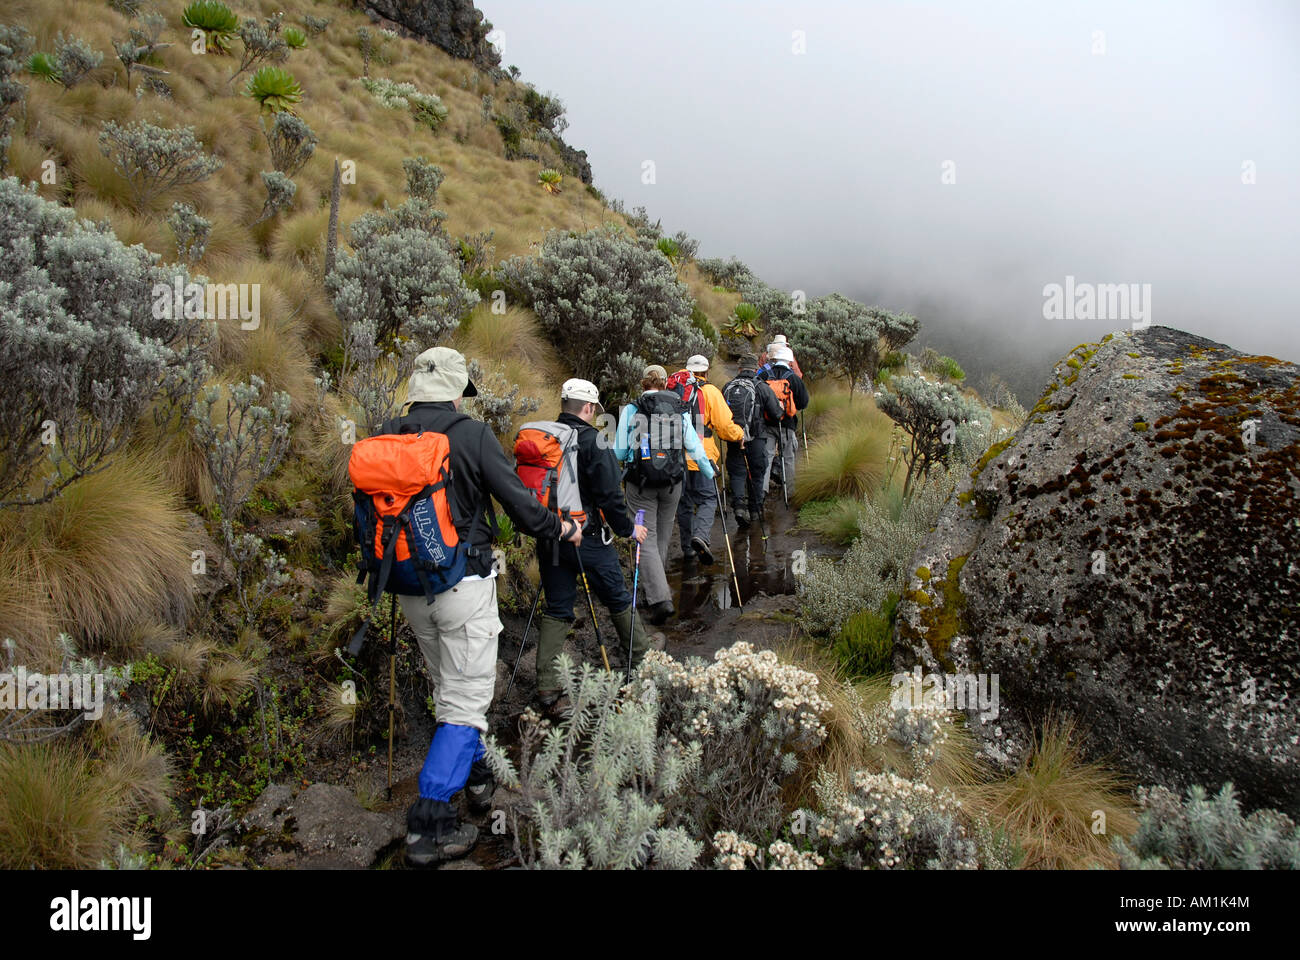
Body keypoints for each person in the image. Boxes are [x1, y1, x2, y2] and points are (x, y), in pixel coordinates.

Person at [376, 347, 583, 867]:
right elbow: (520, 504)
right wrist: (561, 527)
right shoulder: (470, 435)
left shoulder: (387, 432)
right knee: (466, 702)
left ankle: (475, 777)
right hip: (464, 586)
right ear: (455, 391)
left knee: (449, 688)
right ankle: (430, 826)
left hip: (407, 587)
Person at [534, 378, 652, 715]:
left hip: (551, 536)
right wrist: (629, 529)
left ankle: (546, 685)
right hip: (588, 539)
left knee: (557, 607)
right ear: (588, 408)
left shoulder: (546, 438)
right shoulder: (593, 441)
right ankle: (643, 659)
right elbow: (611, 497)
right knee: (616, 595)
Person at [615, 364, 714, 624]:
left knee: (644, 537)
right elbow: (693, 444)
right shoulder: (678, 407)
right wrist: (708, 470)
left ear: (644, 383)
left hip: (640, 485)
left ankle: (658, 598)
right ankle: (654, 591)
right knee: (661, 535)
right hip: (672, 484)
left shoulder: (632, 409)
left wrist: (627, 464)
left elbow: (618, 451)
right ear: (664, 383)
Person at [670, 355, 743, 565]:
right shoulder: (711, 391)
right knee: (708, 499)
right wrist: (740, 435)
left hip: (676, 457)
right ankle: (700, 537)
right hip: (703, 456)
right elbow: (725, 427)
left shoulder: (675, 392)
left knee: (684, 504)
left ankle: (688, 549)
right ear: (706, 372)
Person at [721, 355, 784, 527]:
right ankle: (755, 510)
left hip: (734, 438)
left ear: (739, 368)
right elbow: (776, 414)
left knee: (737, 471)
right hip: (757, 437)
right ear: (756, 369)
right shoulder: (761, 387)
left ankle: (739, 507)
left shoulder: (728, 387)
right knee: (757, 473)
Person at [758, 344, 810, 499]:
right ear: (789, 361)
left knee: (766, 457)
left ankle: (762, 491)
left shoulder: (764, 376)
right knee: (788, 458)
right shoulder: (794, 379)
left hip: (767, 424)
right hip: (787, 424)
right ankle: (790, 492)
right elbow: (803, 403)